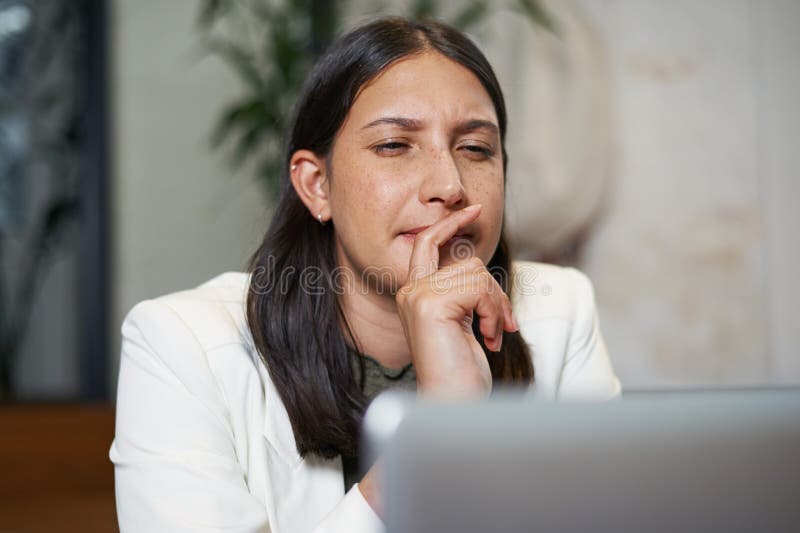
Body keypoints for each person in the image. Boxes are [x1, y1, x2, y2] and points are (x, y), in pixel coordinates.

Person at [110, 16, 620, 533]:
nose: (449, 185)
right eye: (395, 146)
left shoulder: (561, 309)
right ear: (317, 185)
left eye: (475, 149)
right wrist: (434, 431)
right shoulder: (178, 344)